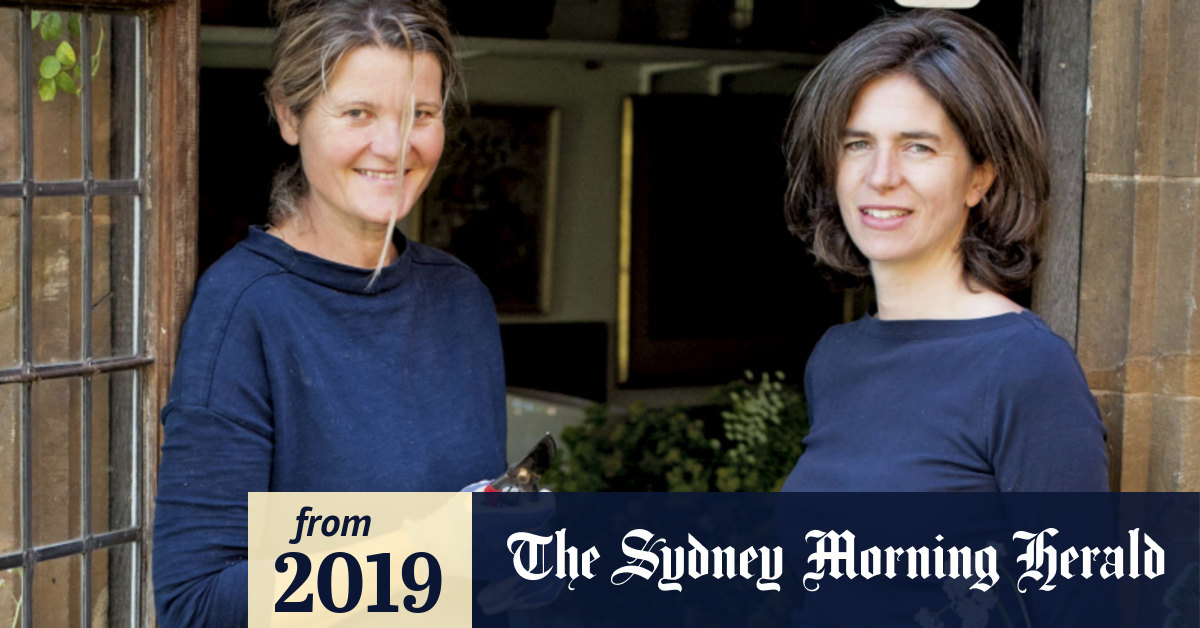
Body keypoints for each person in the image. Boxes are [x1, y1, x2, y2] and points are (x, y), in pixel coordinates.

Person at [152, 1, 507, 625]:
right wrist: (419, 564)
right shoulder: (247, 307)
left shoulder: (461, 300)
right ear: (290, 115)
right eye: (357, 113)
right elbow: (196, 602)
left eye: (420, 114)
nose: (395, 147)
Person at [780, 10, 1108, 492]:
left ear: (980, 176)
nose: (881, 176)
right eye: (858, 144)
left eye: (918, 147)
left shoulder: (1026, 368)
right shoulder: (835, 359)